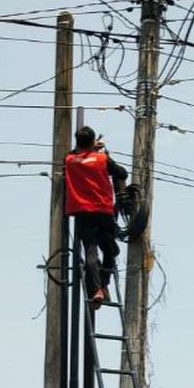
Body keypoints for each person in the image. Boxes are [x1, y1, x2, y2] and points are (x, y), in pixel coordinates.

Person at [64, 126, 128, 309]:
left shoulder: (70, 160)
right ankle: (104, 283)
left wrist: (89, 149)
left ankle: (98, 289)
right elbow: (122, 173)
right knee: (110, 250)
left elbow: (73, 153)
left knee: (91, 251)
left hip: (82, 212)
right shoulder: (102, 159)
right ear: (93, 141)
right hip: (103, 211)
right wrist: (100, 152)